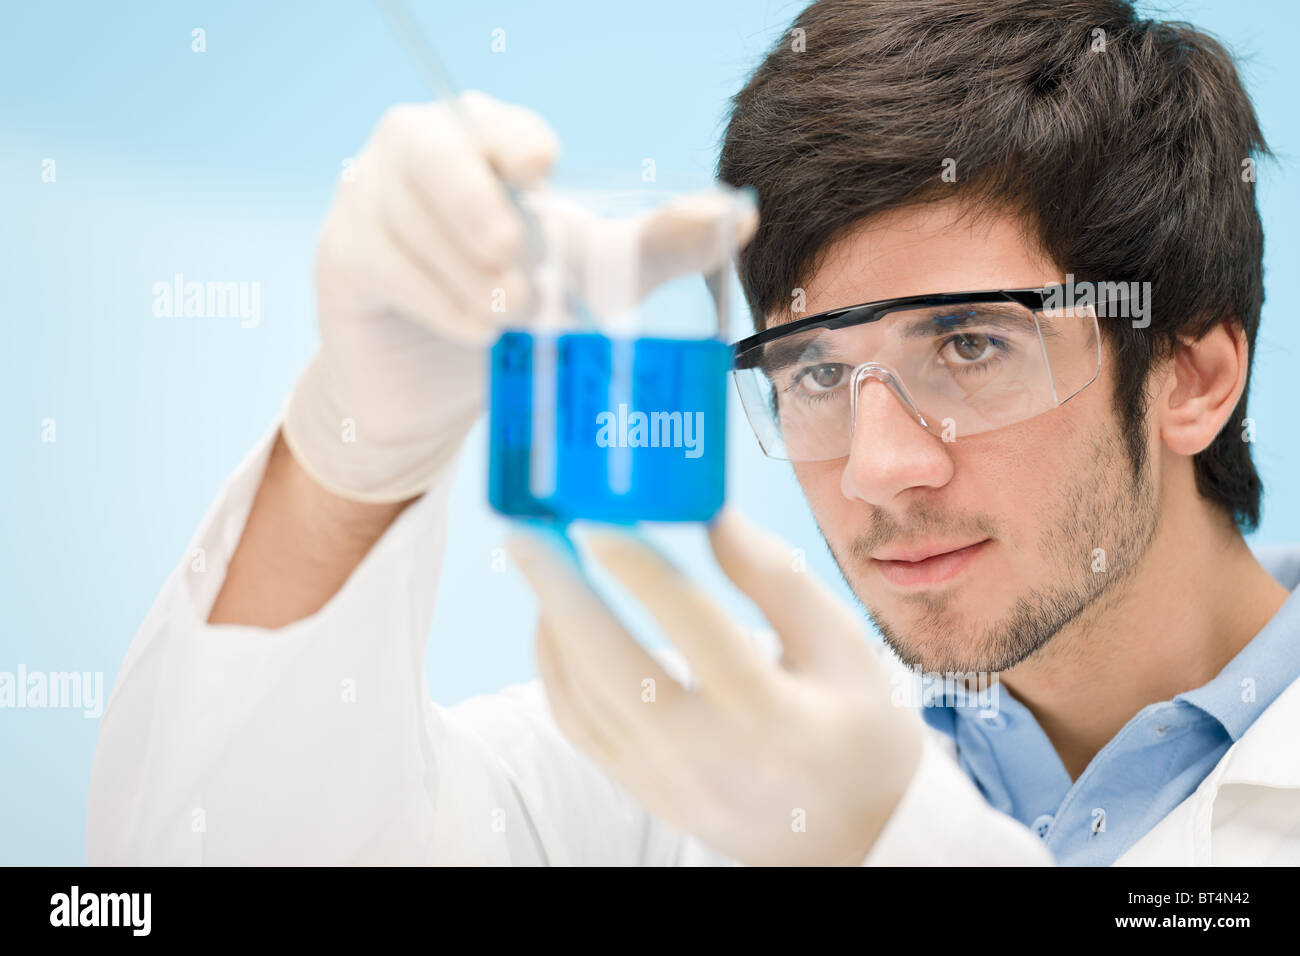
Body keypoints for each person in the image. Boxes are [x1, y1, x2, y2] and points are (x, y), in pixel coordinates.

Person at [88, 0, 1300, 866]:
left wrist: (886, 842)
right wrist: (357, 446)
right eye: (815, 369)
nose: (878, 468)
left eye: (970, 345)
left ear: (1190, 375)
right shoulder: (706, 751)